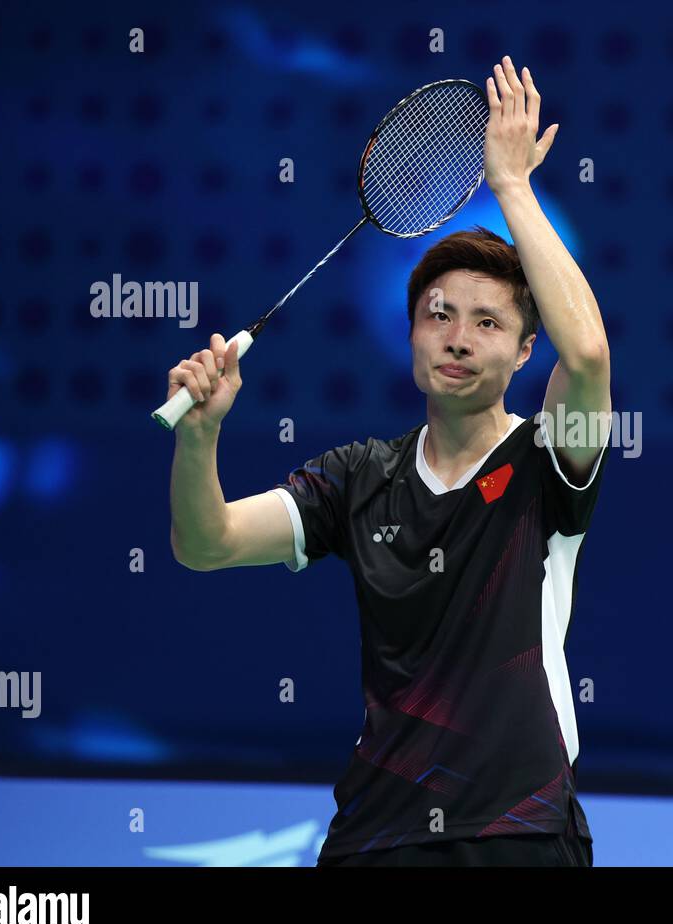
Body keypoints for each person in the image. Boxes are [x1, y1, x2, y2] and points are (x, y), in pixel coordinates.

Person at [165, 57, 610, 867]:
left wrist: (512, 186)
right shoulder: (358, 477)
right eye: (439, 315)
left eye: (487, 323)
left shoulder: (547, 463)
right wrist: (200, 437)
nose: (458, 338)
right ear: (410, 334)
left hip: (518, 832)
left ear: (523, 352)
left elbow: (587, 354)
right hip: (376, 836)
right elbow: (206, 543)